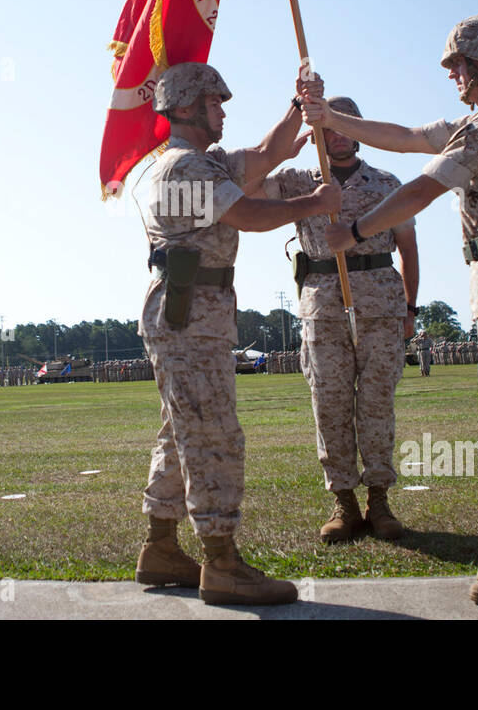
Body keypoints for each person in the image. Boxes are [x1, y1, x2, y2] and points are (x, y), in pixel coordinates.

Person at [302, 13, 478, 607]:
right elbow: (404, 136)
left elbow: (423, 187)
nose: (451, 72)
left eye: (458, 62)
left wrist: (356, 228)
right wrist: (329, 119)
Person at [135, 61, 340, 606]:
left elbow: (270, 153)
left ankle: (160, 550)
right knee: (212, 435)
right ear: (186, 108)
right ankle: (222, 565)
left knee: (180, 433)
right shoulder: (183, 169)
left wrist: (300, 106)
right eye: (214, 103)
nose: (222, 110)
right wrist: (314, 204)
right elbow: (248, 213)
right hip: (191, 314)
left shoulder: (204, 163)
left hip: (195, 312)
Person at [256, 96, 419, 543]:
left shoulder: (387, 183)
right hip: (323, 307)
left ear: (360, 131)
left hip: (380, 306)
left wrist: (409, 309)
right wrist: (285, 147)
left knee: (376, 402)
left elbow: (407, 249)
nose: (340, 136)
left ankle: (379, 500)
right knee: (329, 403)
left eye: (348, 127)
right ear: (318, 135)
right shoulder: (294, 182)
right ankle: (343, 502)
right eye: (330, 129)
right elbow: (245, 189)